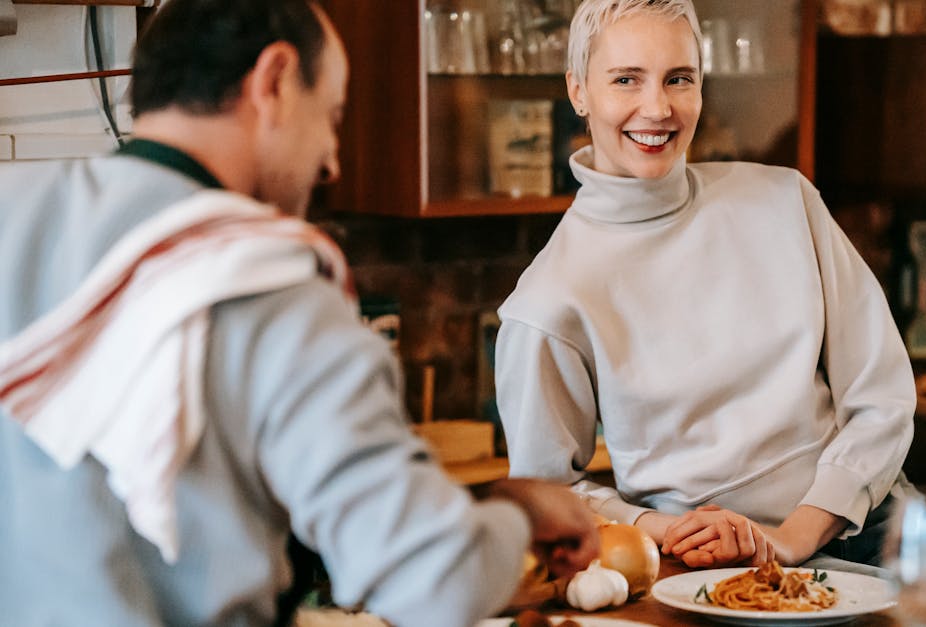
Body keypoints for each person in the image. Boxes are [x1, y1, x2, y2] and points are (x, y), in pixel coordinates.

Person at [0, 1, 597, 626]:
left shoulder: (14, 216)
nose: (332, 159)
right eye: (331, 117)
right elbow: (436, 584)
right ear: (276, 82)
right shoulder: (275, 284)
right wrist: (517, 514)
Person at [496, 0, 915, 571]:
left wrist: (790, 538)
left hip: (882, 532)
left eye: (679, 79)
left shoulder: (785, 201)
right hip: (709, 570)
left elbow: (883, 399)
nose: (657, 108)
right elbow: (548, 499)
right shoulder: (546, 302)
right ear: (578, 91)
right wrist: (665, 530)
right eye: (626, 80)